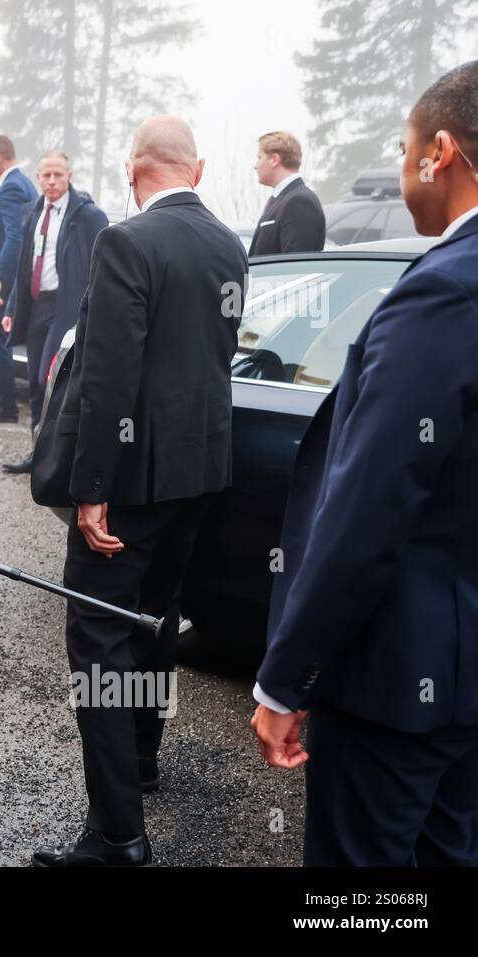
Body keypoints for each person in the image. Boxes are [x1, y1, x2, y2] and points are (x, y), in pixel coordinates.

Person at [251, 61, 478, 866]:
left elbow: (369, 511)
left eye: (407, 143)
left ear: (440, 151)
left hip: (401, 688)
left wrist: (286, 679)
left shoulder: (445, 291)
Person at [31, 116, 248, 867]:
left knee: (98, 639)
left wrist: (92, 489)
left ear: (131, 171)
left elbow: (108, 375)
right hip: (198, 471)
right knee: (156, 616)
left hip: (131, 478)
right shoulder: (228, 243)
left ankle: (118, 831)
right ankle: (143, 759)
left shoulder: (125, 241)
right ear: (197, 168)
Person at [1, 151, 108, 470]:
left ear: (69, 176)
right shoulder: (32, 211)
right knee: (35, 381)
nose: (51, 181)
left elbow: (102, 263)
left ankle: (57, 457)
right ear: (37, 178)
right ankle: (37, 454)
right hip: (36, 305)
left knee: (50, 379)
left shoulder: (87, 215)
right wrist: (12, 306)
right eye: (45, 175)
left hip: (67, 308)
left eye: (57, 175)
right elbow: (24, 264)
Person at [0, 134, 38, 423]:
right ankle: (3, 401)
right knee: (2, 339)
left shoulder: (11, 187)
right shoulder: (24, 183)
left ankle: (5, 405)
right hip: (17, 279)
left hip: (6, 281)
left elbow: (14, 237)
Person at [248, 130, 325, 255]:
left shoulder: (299, 202)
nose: (255, 166)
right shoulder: (283, 200)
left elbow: (296, 266)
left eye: (259, 157)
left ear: (274, 159)